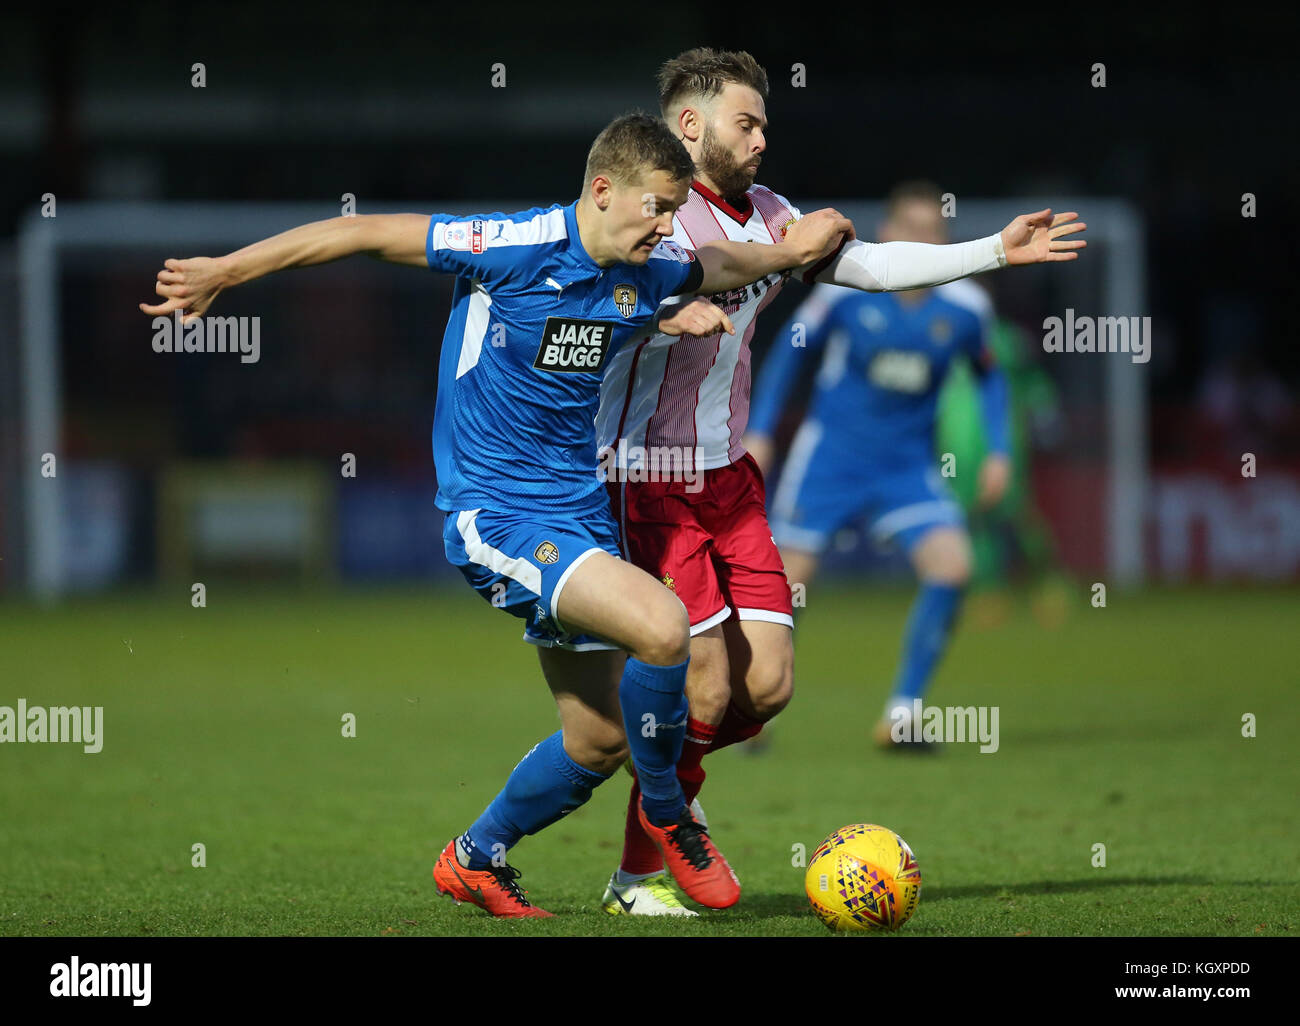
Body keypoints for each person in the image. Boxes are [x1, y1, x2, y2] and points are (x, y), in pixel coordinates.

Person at [139, 111, 852, 918]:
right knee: (664, 628)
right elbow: (365, 231)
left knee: (599, 738)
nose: (668, 227)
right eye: (656, 207)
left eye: (673, 210)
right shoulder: (513, 245)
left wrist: (785, 254)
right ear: (604, 189)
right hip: (497, 513)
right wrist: (227, 273)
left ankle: (475, 857)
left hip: (580, 513)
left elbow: (718, 262)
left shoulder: (649, 272)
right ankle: (670, 816)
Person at [595, 49, 1086, 916]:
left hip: (729, 479)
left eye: (765, 126)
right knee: (704, 681)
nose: (760, 139)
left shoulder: (776, 215)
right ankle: (637, 873)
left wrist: (994, 254)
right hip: (650, 477)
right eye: (746, 123)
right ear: (689, 125)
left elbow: (870, 268)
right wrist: (666, 309)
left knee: (768, 687)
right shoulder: (652, 219)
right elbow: (596, 303)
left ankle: (663, 757)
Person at [747, 181, 1010, 750]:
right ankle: (751, 711)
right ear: (887, 234)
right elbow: (791, 352)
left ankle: (902, 715)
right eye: (910, 228)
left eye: (932, 231)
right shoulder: (847, 290)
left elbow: (990, 377)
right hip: (831, 456)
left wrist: (999, 451)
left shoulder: (965, 308)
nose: (921, 239)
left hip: (907, 464)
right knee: (787, 588)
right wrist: (762, 430)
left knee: (953, 568)